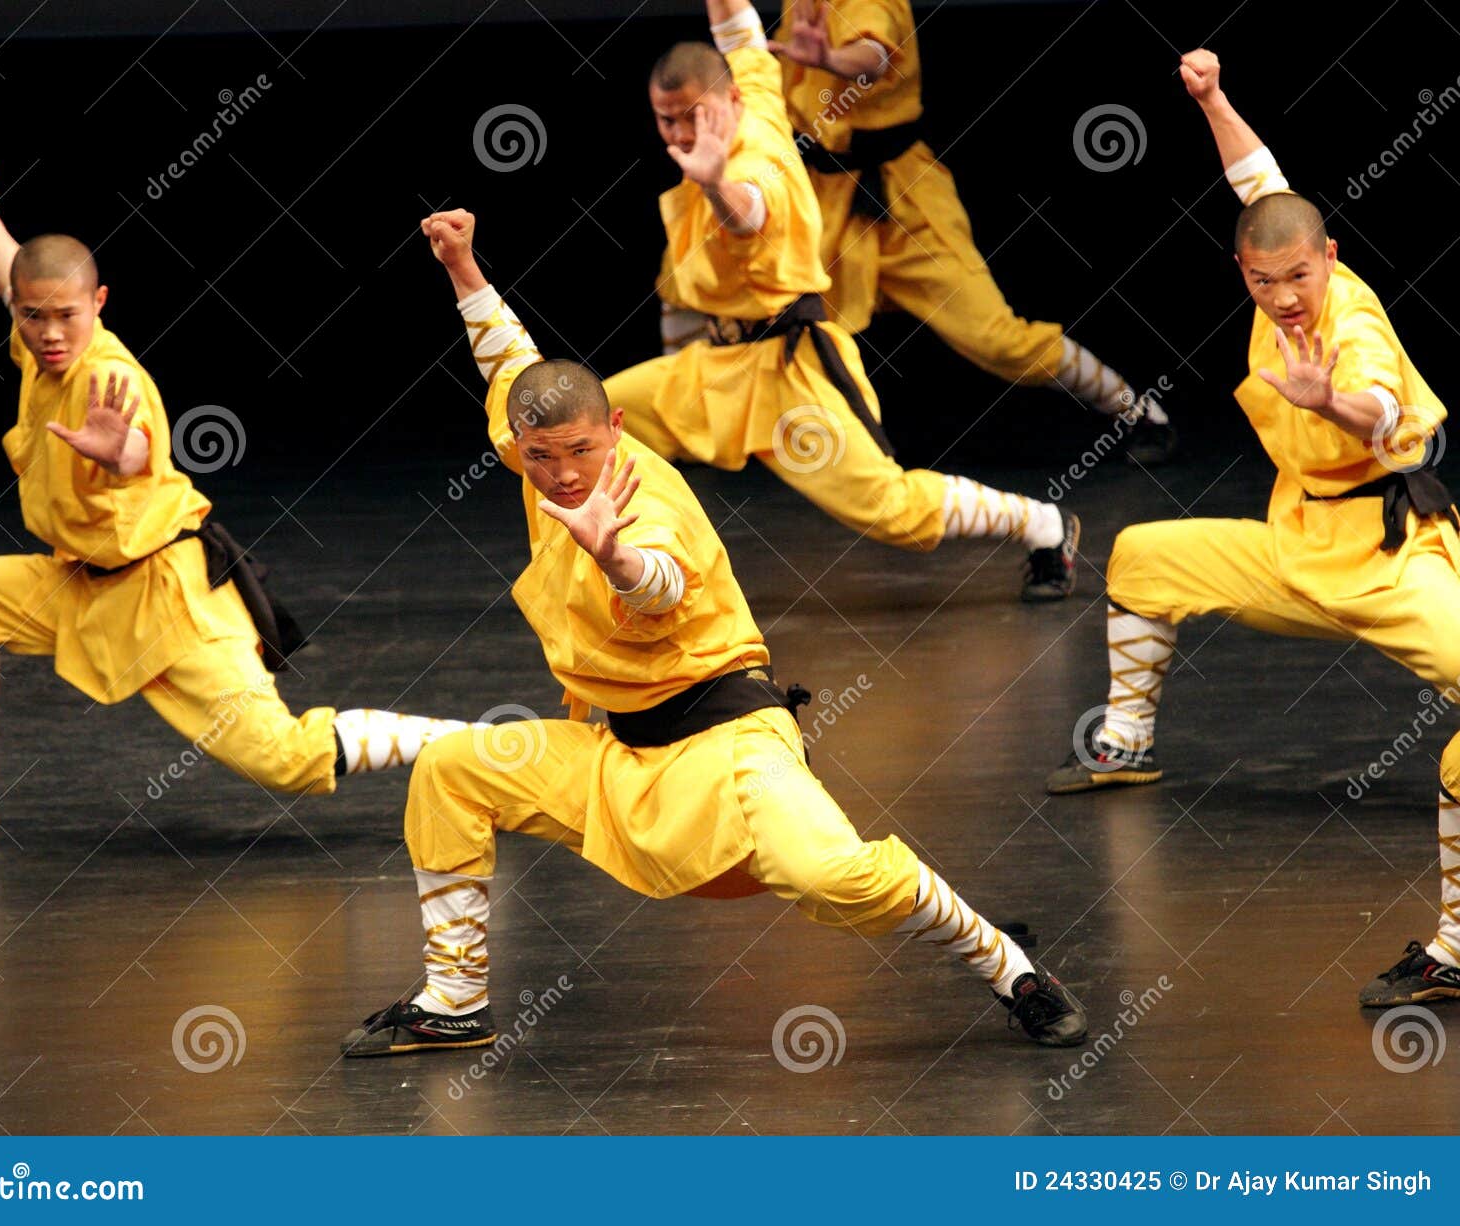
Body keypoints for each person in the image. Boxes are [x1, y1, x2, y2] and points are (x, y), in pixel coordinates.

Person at [339, 207, 1088, 1057]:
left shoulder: (642, 505)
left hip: (728, 747)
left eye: (579, 451)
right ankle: (456, 1001)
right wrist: (464, 266)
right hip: (622, 755)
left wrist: (614, 558)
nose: (563, 473)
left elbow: (657, 588)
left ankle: (1009, 965)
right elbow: (509, 355)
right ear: (518, 445)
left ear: (615, 430)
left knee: (831, 876)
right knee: (450, 771)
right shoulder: (537, 451)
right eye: (541, 456)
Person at [0, 151, 470, 840]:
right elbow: (18, 276)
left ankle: (479, 749)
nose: (50, 333)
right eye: (33, 317)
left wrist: (115, 452)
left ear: (98, 303)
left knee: (283, 758)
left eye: (65, 315)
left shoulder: (112, 380)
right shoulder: (39, 341)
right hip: (85, 583)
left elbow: (139, 452)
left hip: (167, 596)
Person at [1045, 50, 1460, 1008]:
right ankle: (1125, 742)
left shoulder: (1347, 326)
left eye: (1300, 278)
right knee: (1146, 557)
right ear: (1244, 268)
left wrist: (1334, 405)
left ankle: (1451, 949)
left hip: (1393, 563)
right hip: (1296, 544)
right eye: (1264, 279)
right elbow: (1257, 180)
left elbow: (1387, 414)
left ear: (1334, 262)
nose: (1283, 296)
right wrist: (1213, 98)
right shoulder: (1279, 256)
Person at [604, 0, 1081, 604]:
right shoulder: (753, 86)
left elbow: (748, 213)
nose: (679, 134)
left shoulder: (748, 164)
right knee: (575, 432)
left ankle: (1046, 525)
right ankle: (633, 572)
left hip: (789, 373)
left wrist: (712, 181)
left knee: (893, 510)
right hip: (715, 366)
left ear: (727, 106)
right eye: (665, 120)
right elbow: (738, 28)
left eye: (690, 117)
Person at [662, 0, 1176, 464]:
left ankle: (1133, 409)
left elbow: (876, 57)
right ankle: (682, 426)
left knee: (997, 338)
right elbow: (734, 22)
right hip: (823, 200)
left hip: (904, 201)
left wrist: (832, 60)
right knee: (720, 283)